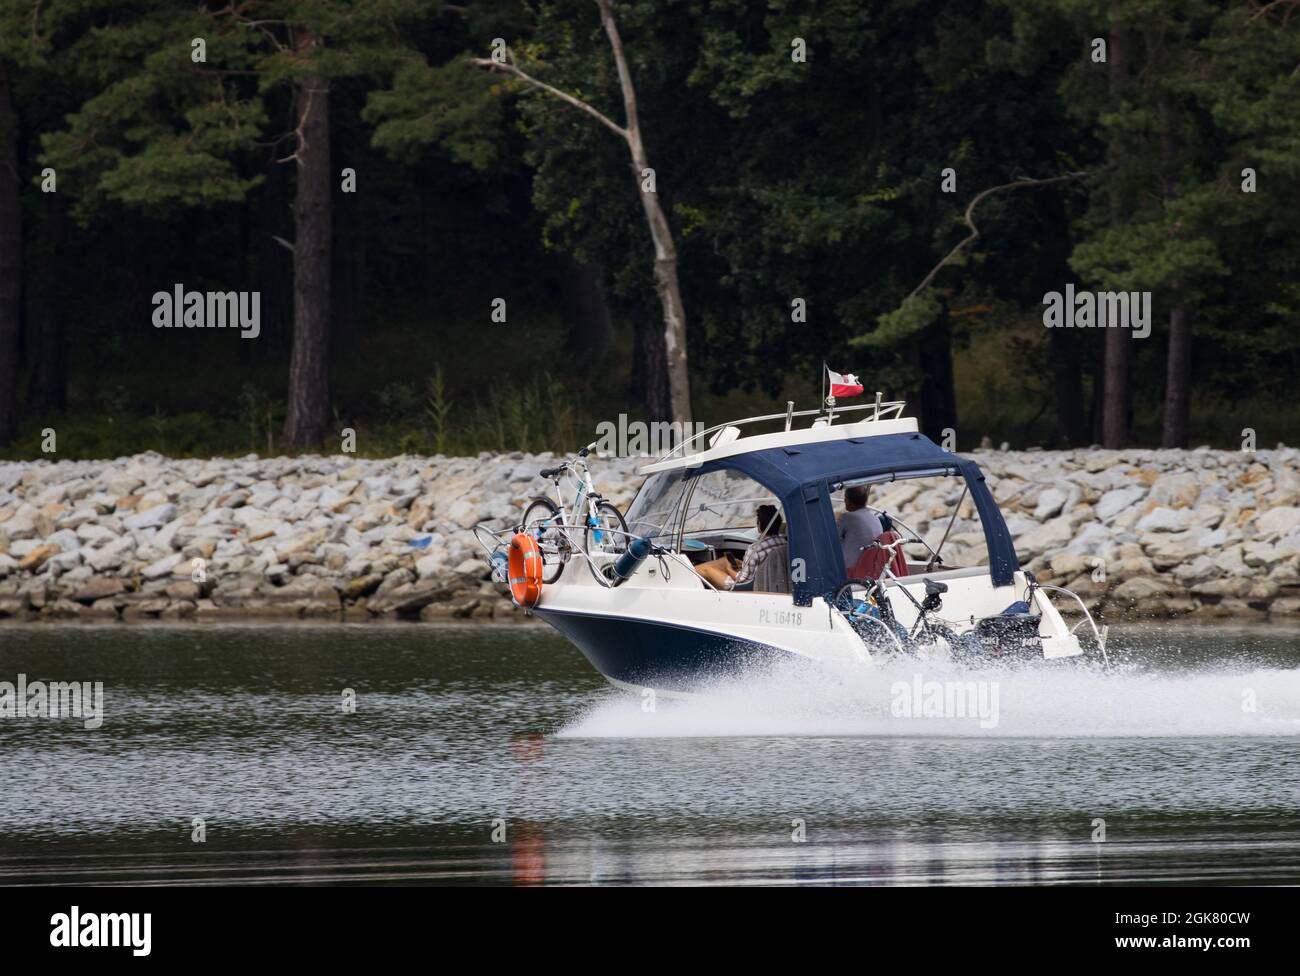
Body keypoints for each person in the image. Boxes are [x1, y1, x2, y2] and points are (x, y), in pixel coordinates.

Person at [694, 504, 787, 591]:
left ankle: (691, 572)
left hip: (748, 587)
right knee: (723, 560)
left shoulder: (755, 549)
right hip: (771, 580)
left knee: (707, 570)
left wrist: (728, 569)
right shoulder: (784, 542)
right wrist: (742, 564)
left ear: (760, 525)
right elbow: (764, 565)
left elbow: (742, 579)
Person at [839, 485, 883, 569]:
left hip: (851, 568)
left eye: (845, 498)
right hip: (872, 565)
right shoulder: (875, 518)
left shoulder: (847, 517)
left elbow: (832, 540)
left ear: (849, 500)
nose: (844, 500)